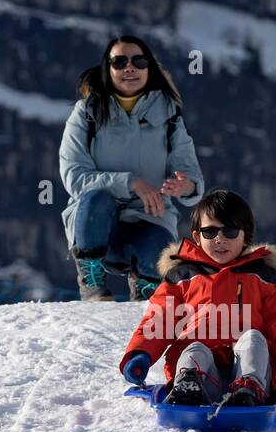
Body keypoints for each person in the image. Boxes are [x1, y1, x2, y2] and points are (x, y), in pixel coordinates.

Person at [119, 189, 276, 408]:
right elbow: (157, 323)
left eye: (230, 231)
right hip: (202, 378)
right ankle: (187, 388)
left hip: (254, 376)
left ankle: (249, 388)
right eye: (210, 232)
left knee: (253, 339)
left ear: (245, 237)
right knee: (194, 348)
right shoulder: (182, 277)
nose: (220, 239)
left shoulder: (263, 278)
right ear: (197, 236)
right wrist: (140, 354)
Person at [59, 34, 204, 302]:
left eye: (139, 60)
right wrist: (130, 182)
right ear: (108, 68)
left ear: (149, 67)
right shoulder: (86, 113)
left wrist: (187, 186)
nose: (130, 67)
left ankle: (146, 284)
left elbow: (190, 171)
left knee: (159, 253)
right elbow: (74, 177)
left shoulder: (169, 115)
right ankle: (92, 280)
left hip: (150, 218)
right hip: (97, 223)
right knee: (95, 199)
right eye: (119, 61)